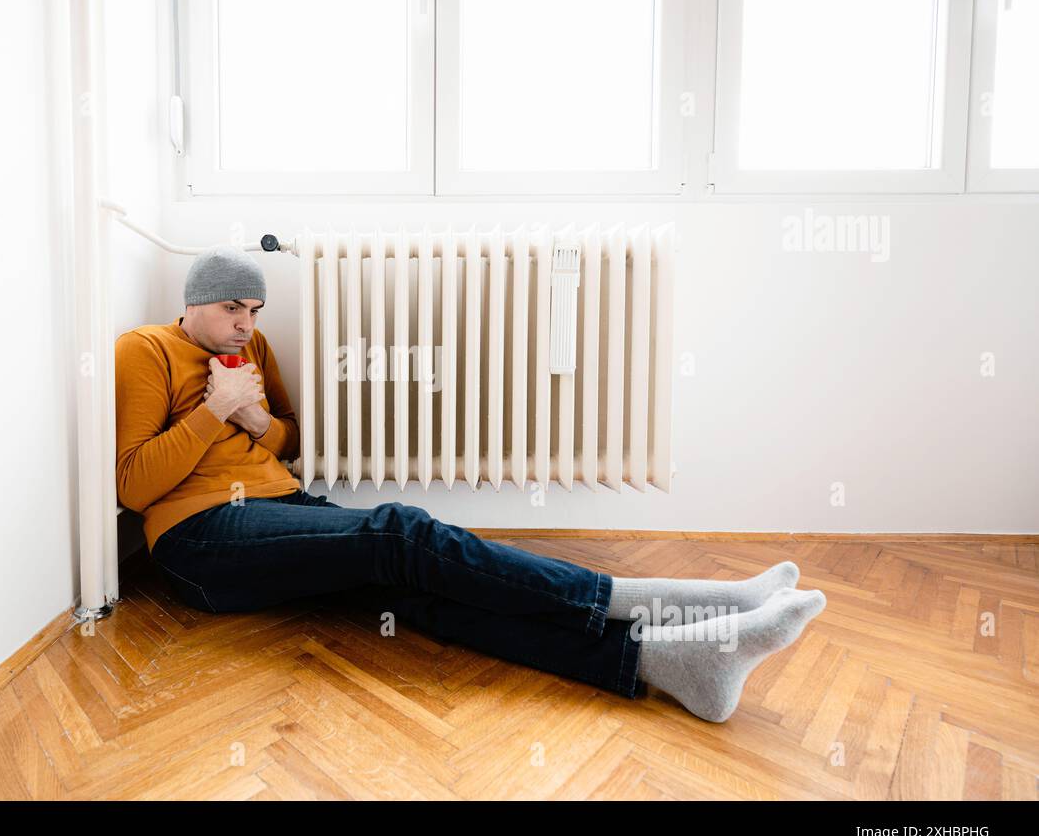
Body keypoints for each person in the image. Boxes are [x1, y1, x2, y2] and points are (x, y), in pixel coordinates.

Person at [115, 247, 826, 723]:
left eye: (254, 313)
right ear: (195, 304)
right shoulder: (145, 349)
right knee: (399, 532)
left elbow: (290, 441)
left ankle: (665, 658)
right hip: (198, 539)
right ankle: (668, 602)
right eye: (233, 309)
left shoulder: (251, 352)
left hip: (282, 510)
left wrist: (251, 414)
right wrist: (214, 411)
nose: (246, 325)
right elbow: (135, 487)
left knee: (419, 589)